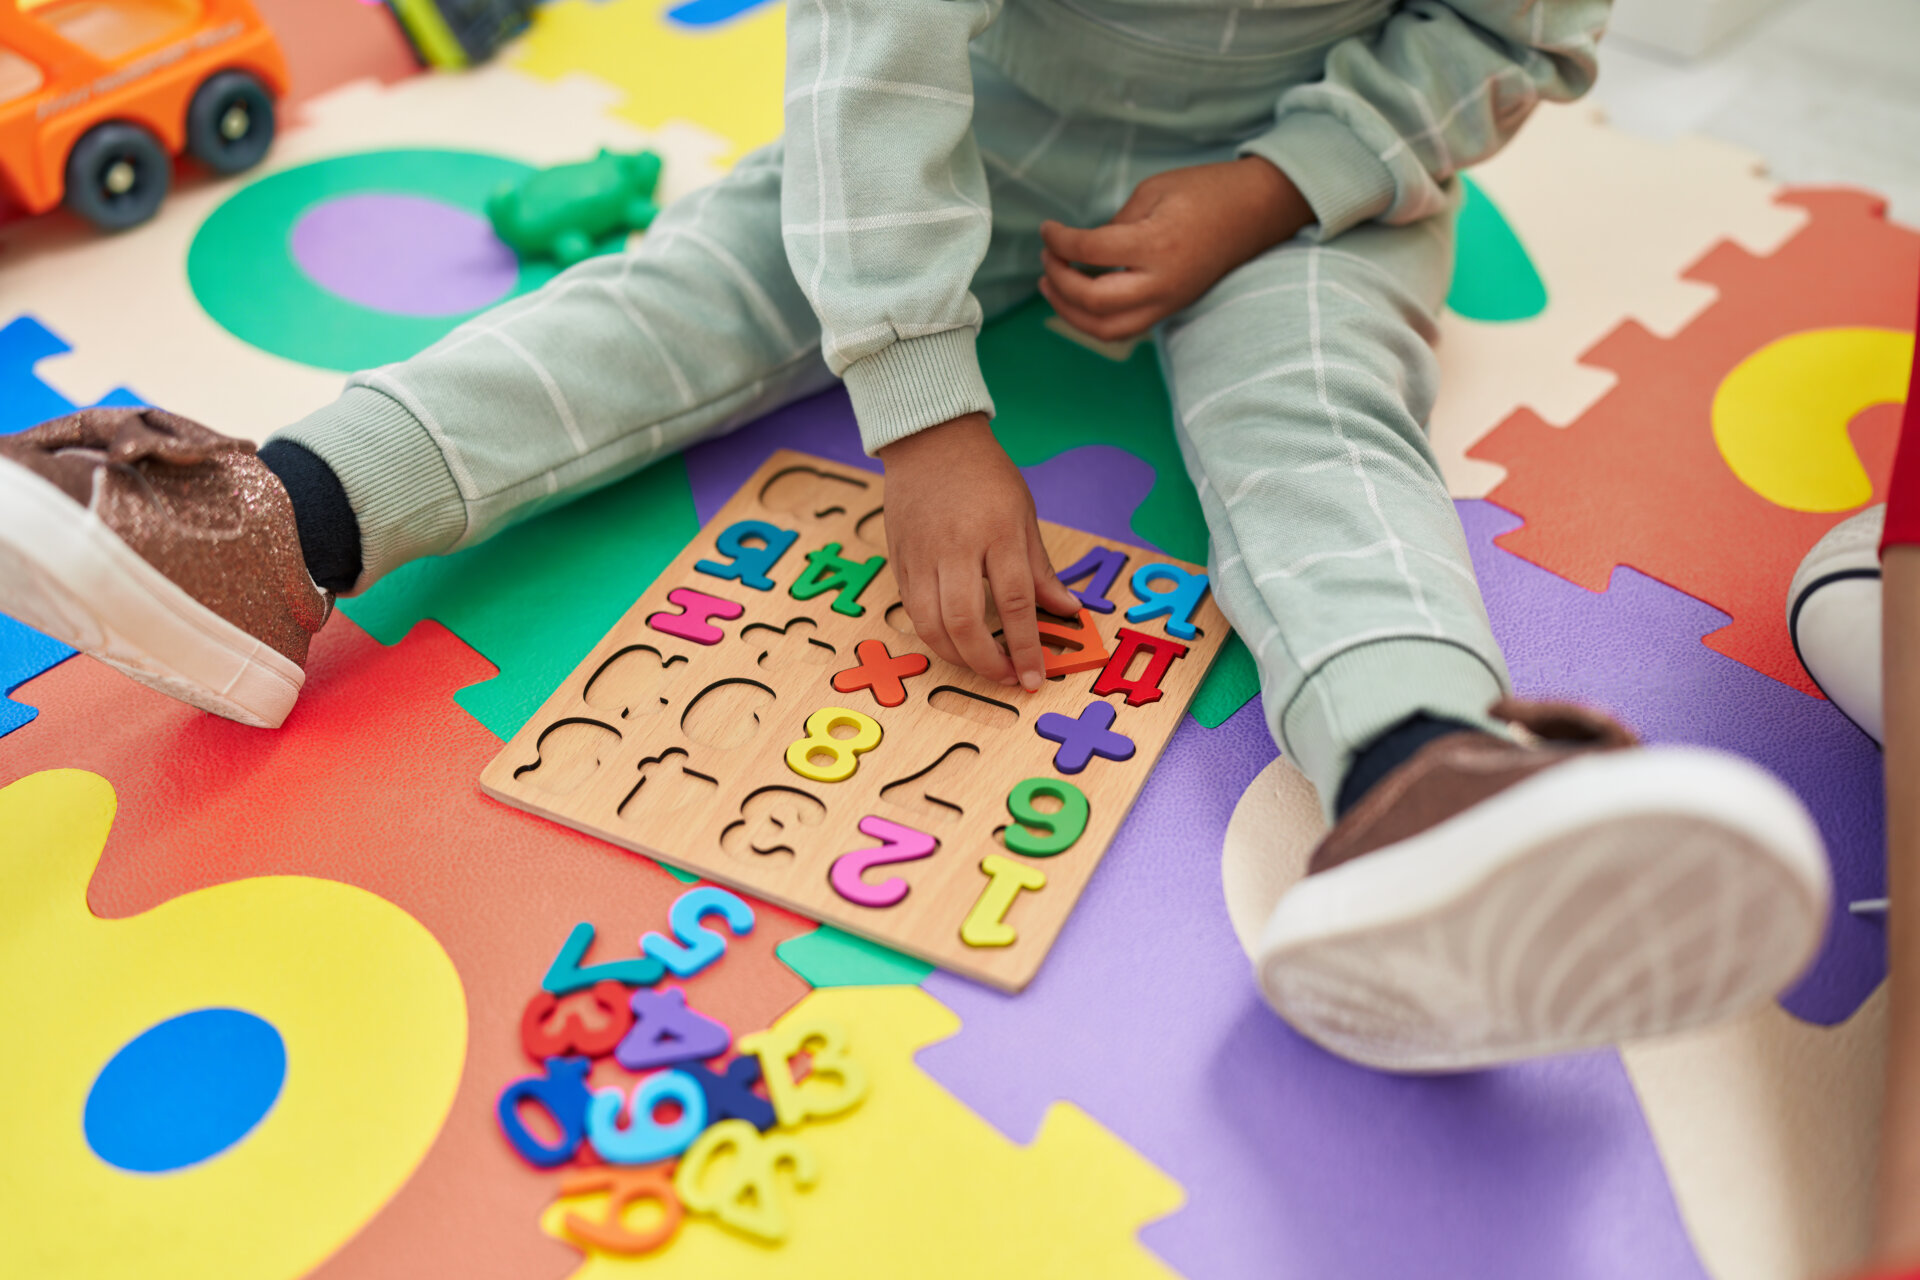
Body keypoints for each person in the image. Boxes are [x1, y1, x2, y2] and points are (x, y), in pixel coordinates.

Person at [0, 0, 1833, 1072]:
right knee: (674, 296)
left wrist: (1274, 189)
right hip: (954, 140)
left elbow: (1512, 34)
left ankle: (1427, 776)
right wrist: (926, 408)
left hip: (1304, 182)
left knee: (1316, 422)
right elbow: (873, 68)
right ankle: (277, 522)